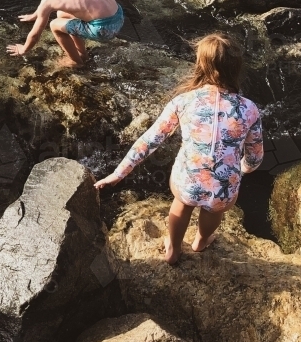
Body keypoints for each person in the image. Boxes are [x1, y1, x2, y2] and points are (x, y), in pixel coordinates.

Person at [95, 32, 264, 265]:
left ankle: (173, 249)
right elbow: (255, 156)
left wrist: (118, 173)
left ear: (201, 64)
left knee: (182, 203)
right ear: (236, 68)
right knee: (214, 210)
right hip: (222, 190)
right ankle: (201, 241)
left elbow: (149, 140)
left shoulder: (183, 101)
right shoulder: (250, 108)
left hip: (188, 181)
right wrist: (243, 169)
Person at [6, 0, 124, 68]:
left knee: (54, 25)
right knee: (61, 14)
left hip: (105, 29)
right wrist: (35, 15)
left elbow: (35, 35)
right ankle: (82, 53)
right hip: (118, 14)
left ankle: (76, 61)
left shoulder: (48, 0)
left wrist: (24, 49)